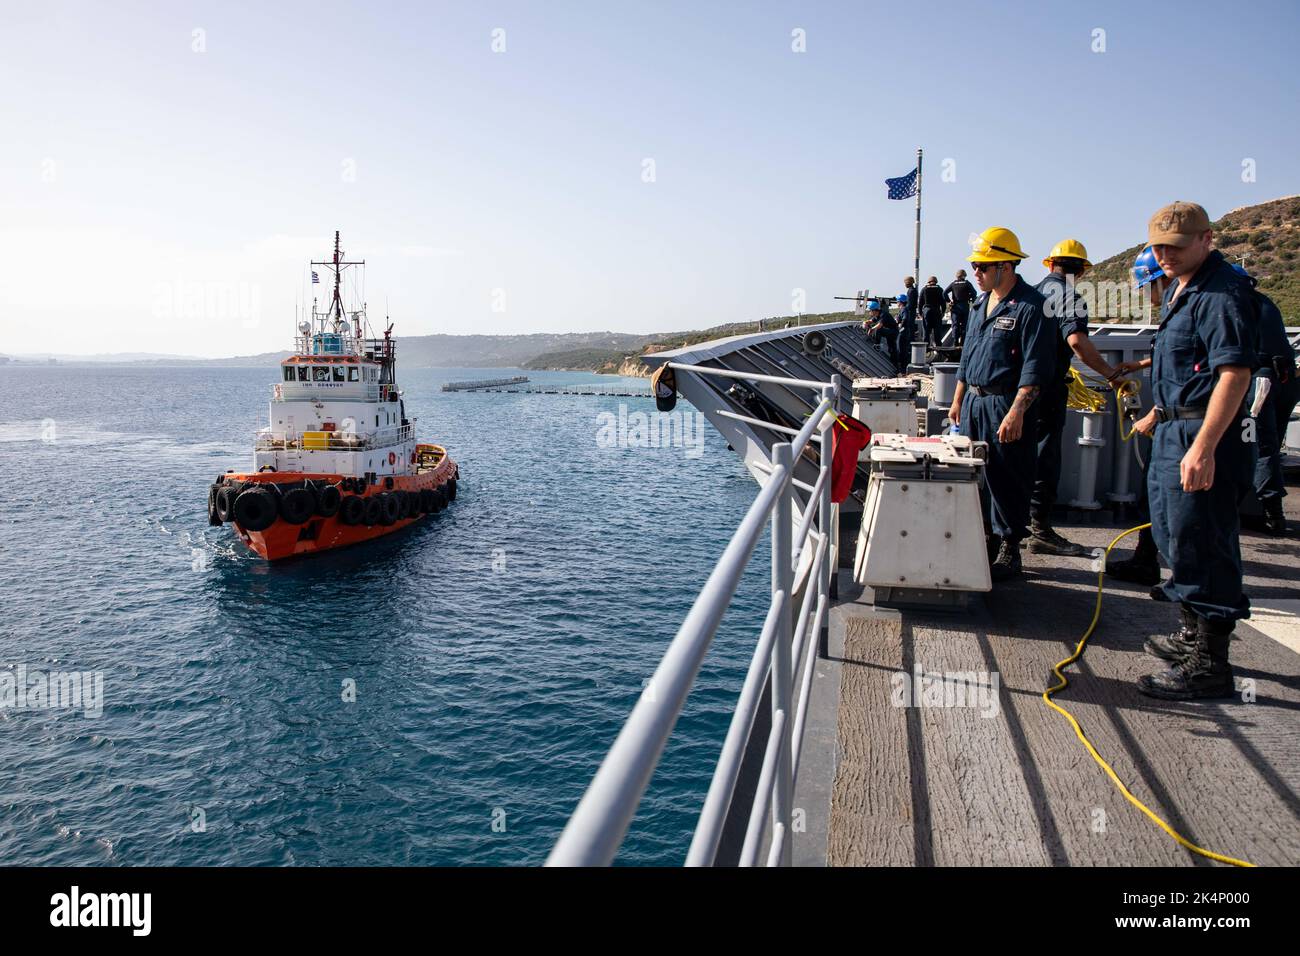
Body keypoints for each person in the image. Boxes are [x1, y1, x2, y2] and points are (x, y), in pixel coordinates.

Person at [1129, 201, 1256, 700]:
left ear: (1206, 239)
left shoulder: (1221, 293)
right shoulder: (1183, 289)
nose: (1165, 256)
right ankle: (1189, 639)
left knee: (1204, 543)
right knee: (1176, 537)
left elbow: (1234, 374)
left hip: (1202, 438)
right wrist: (1159, 414)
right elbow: (1188, 369)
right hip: (1174, 432)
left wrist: (1203, 448)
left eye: (1176, 247)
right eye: (1158, 247)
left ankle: (1209, 665)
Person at [949, 226, 1054, 581]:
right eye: (975, 266)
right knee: (977, 476)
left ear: (1006, 267)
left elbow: (1035, 367)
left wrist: (1017, 411)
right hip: (975, 404)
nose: (975, 273)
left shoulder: (1032, 307)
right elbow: (968, 355)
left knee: (1009, 474)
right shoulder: (980, 305)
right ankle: (987, 540)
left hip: (1005, 403)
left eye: (982, 266)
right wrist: (958, 399)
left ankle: (1011, 546)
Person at [1028, 239, 1127, 557]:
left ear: (1050, 264)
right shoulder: (1070, 297)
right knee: (1045, 458)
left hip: (1021, 391)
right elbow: (1077, 343)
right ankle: (1040, 530)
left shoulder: (1030, 293)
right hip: (1048, 390)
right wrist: (1111, 374)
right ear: (1081, 270)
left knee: (1020, 457)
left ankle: (1009, 532)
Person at [1106, 246, 1171, 588]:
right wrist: (1140, 364)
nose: (1145, 296)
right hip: (1170, 426)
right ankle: (1146, 561)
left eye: (1146, 287)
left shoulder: (1203, 306)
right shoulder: (1178, 310)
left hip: (1180, 427)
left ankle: (1198, 619)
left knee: (1179, 506)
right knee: (1154, 495)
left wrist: (1157, 415)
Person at [1231, 263, 1297, 534]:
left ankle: (1270, 514)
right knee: (1269, 444)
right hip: (1285, 381)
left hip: (1260, 383)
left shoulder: (1237, 305)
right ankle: (1266, 510)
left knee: (1257, 446)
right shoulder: (1265, 302)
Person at [863, 299, 900, 369]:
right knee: (892, 349)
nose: (869, 312)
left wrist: (871, 329)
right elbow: (871, 321)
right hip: (889, 331)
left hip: (893, 332)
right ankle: (896, 365)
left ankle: (877, 345)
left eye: (870, 310)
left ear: (874, 310)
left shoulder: (883, 314)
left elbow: (880, 325)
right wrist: (865, 322)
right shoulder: (877, 315)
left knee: (879, 330)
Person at [944, 269, 976, 346]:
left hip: (955, 307)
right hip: (964, 306)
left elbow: (944, 293)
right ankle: (962, 342)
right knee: (965, 325)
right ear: (964, 275)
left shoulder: (953, 284)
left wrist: (949, 301)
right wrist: (971, 299)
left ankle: (955, 342)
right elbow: (974, 293)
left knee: (955, 325)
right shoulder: (967, 283)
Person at [919, 276, 945, 348]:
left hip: (927, 310)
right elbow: (943, 302)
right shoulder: (940, 289)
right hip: (936, 311)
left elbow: (920, 302)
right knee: (937, 331)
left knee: (926, 330)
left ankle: (926, 347)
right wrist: (943, 312)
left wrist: (921, 313)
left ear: (929, 282)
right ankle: (939, 347)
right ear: (936, 281)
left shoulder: (924, 289)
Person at [896, 293, 914, 371]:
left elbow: (905, 318)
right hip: (905, 332)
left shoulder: (903, 309)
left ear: (900, 302)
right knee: (902, 350)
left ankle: (903, 368)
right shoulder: (903, 309)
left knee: (901, 350)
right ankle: (903, 367)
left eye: (897, 301)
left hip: (903, 333)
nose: (897, 303)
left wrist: (900, 325)